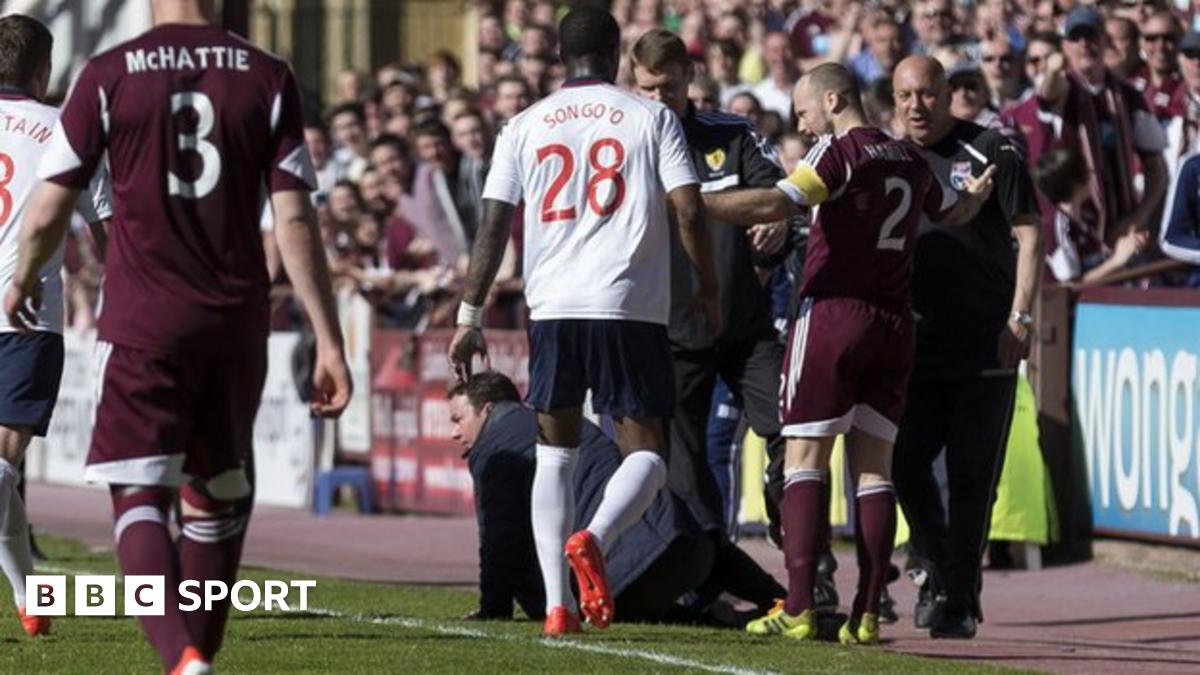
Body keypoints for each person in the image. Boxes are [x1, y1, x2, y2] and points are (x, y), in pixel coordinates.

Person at [5, 1, 353, 671]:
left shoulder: (108, 74)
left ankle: (183, 657)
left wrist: (23, 276)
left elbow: (49, 209)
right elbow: (295, 220)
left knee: (138, 492)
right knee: (218, 487)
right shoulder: (265, 74)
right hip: (234, 317)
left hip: (142, 316)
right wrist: (329, 337)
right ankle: (199, 647)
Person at [447, 6, 717, 638]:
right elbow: (688, 209)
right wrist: (705, 286)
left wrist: (470, 311)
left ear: (561, 56)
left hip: (553, 306)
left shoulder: (523, 124)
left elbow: (492, 224)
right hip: (627, 304)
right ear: (619, 52)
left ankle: (555, 607)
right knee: (647, 448)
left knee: (555, 454)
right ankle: (593, 537)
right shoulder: (651, 117)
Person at [701, 62, 994, 646]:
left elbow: (776, 205)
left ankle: (801, 605)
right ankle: (864, 611)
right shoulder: (909, 157)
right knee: (874, 468)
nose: (803, 125)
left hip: (835, 314)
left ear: (833, 100)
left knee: (806, 457)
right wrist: (978, 195)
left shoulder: (837, 153)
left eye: (805, 111)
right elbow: (951, 211)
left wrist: (693, 202)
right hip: (893, 323)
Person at [891, 55, 1041, 640]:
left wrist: (1020, 317)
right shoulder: (890, 157)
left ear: (947, 94)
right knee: (904, 460)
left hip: (986, 340)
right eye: (905, 96)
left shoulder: (994, 150)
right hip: (914, 344)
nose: (916, 106)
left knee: (974, 473)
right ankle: (930, 562)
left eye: (926, 94)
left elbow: (1029, 234)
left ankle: (960, 597)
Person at [450, 372, 784, 625]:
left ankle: (723, 620)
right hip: (693, 542)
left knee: (634, 596)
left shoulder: (493, 448)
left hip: (624, 578)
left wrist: (495, 608)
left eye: (458, 419)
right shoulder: (557, 423)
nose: (454, 432)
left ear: (487, 410)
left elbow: (500, 537)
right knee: (690, 534)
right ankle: (786, 603)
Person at [629, 27, 788, 540]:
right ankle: (708, 569)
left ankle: (806, 555)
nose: (658, 100)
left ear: (690, 77)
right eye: (647, 90)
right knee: (684, 460)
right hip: (672, 329)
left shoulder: (733, 132)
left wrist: (776, 228)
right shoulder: (625, 146)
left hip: (744, 322)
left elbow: (779, 200)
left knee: (790, 429)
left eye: (668, 88)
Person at [0, 13, 110, 640]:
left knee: (3, 470)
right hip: (28, 318)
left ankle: (26, 596)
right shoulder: (63, 127)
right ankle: (26, 591)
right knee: (5, 467)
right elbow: (105, 229)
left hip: (25, 317)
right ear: (42, 69)